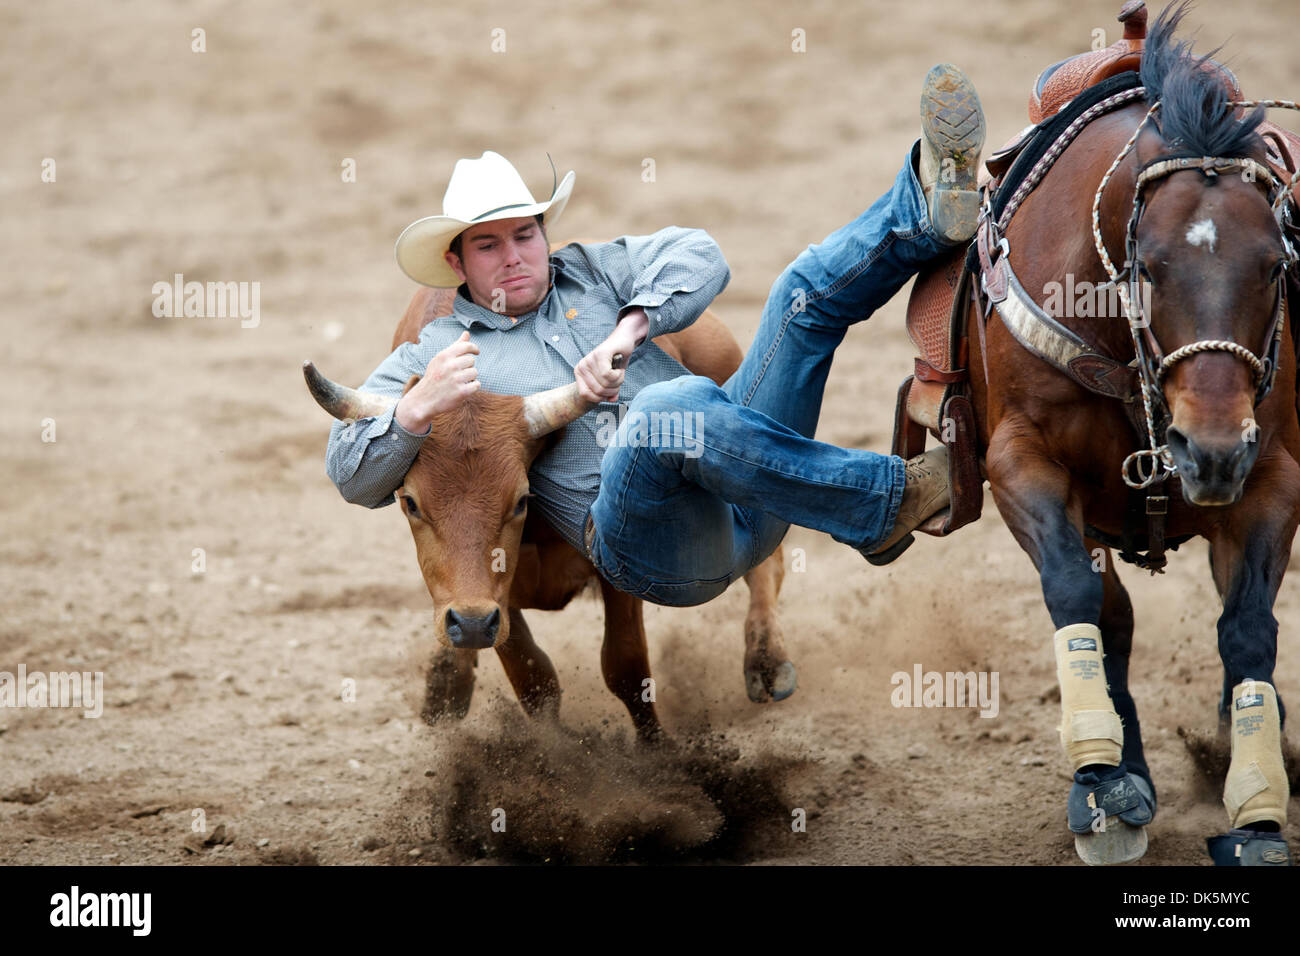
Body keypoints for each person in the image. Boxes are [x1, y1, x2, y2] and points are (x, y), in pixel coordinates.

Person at [325, 64, 986, 609]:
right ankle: (883, 502)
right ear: (456, 263)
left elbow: (701, 255)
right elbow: (348, 469)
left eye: (526, 235)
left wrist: (630, 329)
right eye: (489, 245)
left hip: (748, 490)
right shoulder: (441, 351)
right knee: (661, 414)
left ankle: (929, 216)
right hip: (653, 546)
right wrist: (413, 410)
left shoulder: (589, 272)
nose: (516, 257)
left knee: (798, 294)